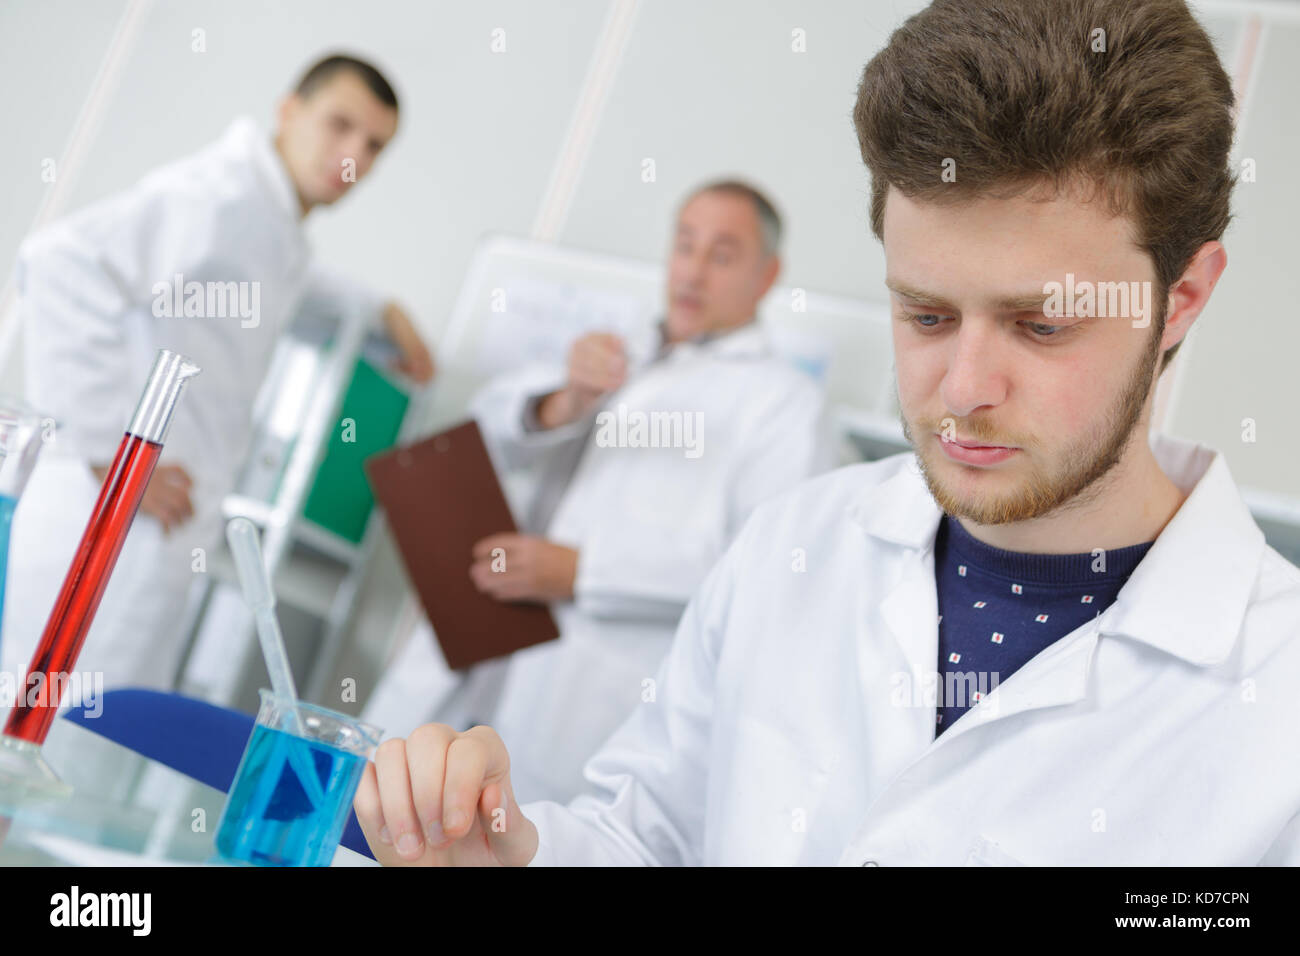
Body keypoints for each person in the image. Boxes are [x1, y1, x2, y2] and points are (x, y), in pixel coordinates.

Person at [354, 0, 1300, 866]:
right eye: (926, 316)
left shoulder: (1278, 695)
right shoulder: (794, 547)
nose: (961, 391)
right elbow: (646, 841)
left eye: (1042, 325)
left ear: (1180, 298)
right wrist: (510, 856)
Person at [362, 179, 834, 803]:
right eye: (684, 244)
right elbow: (487, 424)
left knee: (513, 831)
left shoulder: (785, 406)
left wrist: (585, 571)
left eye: (722, 255)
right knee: (386, 818)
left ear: (768, 275)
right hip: (470, 647)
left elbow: (764, 575)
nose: (692, 271)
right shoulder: (612, 350)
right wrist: (566, 401)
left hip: (577, 691)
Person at [2, 54, 435, 694]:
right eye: (339, 125)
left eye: (374, 146)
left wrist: (380, 309)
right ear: (288, 111)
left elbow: (273, 280)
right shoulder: (219, 199)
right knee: (47, 738)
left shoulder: (272, 223)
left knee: (86, 739)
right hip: (106, 520)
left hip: (151, 529)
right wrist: (106, 451)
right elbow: (60, 262)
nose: (353, 158)